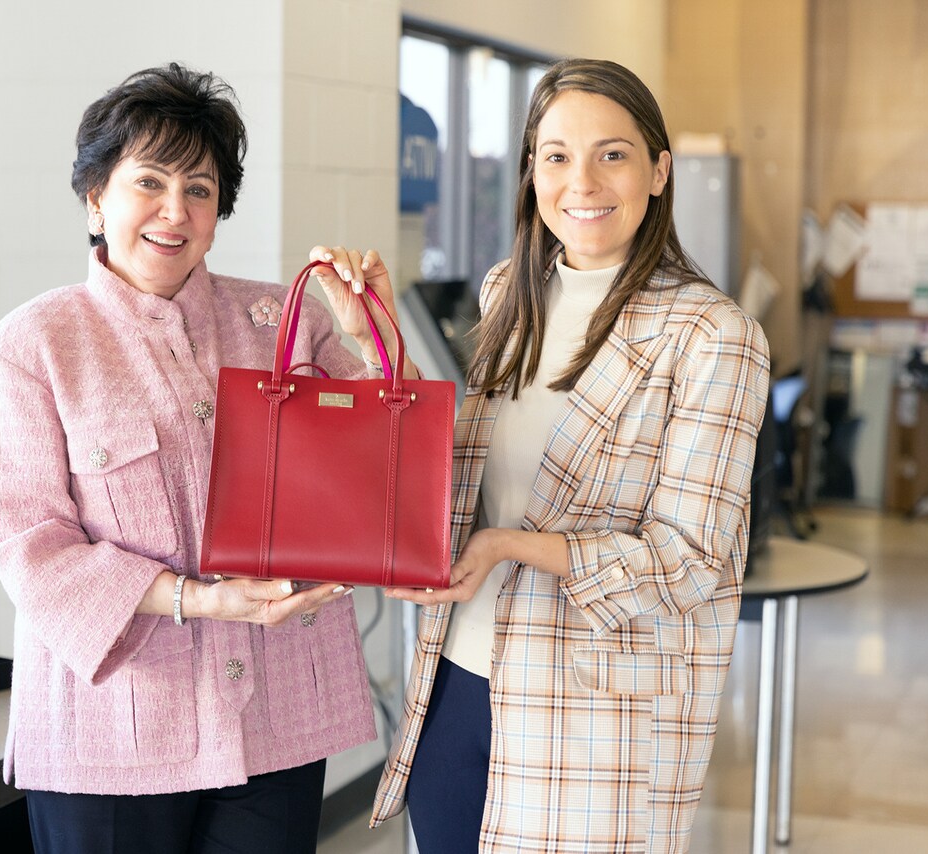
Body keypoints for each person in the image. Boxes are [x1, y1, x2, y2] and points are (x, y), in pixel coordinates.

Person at [0, 63, 411, 854]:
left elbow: (388, 465)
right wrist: (201, 601)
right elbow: (26, 542)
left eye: (200, 189)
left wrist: (367, 331)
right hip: (113, 735)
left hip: (274, 714)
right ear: (95, 196)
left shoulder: (281, 319)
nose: (176, 212)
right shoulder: (33, 346)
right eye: (150, 182)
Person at [366, 58, 772, 852]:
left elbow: (690, 560)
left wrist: (510, 546)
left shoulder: (711, 335)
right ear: (530, 171)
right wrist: (375, 338)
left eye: (612, 154)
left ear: (659, 171)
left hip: (591, 710)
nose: (581, 181)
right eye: (555, 155)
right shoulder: (506, 294)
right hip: (456, 682)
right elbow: (464, 473)